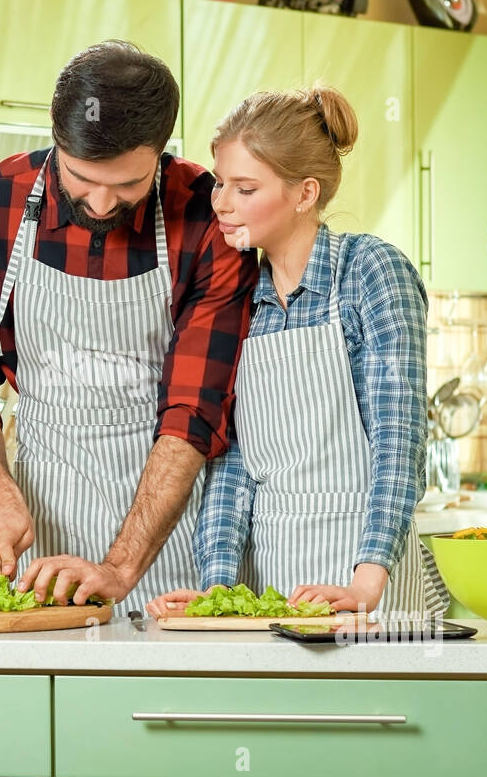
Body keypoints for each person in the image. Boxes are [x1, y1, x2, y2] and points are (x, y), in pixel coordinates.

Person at [0, 40, 257, 614]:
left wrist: (121, 565)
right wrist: (0, 498)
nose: (102, 204)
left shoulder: (208, 214)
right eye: (82, 179)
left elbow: (194, 408)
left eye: (128, 185)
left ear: (161, 152)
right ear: (57, 142)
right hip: (45, 529)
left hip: (173, 541)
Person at [146, 86, 449, 621]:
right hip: (268, 588)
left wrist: (366, 582)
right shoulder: (240, 296)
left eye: (244, 188)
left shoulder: (370, 272)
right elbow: (233, 465)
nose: (220, 202)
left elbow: (398, 442)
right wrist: (219, 589)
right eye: (220, 183)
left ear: (305, 193)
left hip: (365, 585)